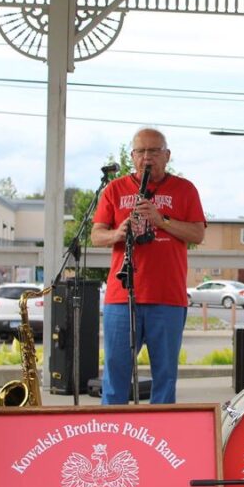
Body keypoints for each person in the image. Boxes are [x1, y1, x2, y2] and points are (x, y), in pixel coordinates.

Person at [92, 128, 206, 404]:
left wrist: (161, 221)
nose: (147, 157)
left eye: (154, 151)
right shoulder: (115, 189)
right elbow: (96, 235)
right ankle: (112, 436)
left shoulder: (184, 189)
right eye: (141, 151)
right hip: (122, 297)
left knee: (165, 377)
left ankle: (160, 438)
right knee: (115, 375)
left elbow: (198, 234)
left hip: (167, 297)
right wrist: (118, 234)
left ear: (166, 155)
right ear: (132, 156)